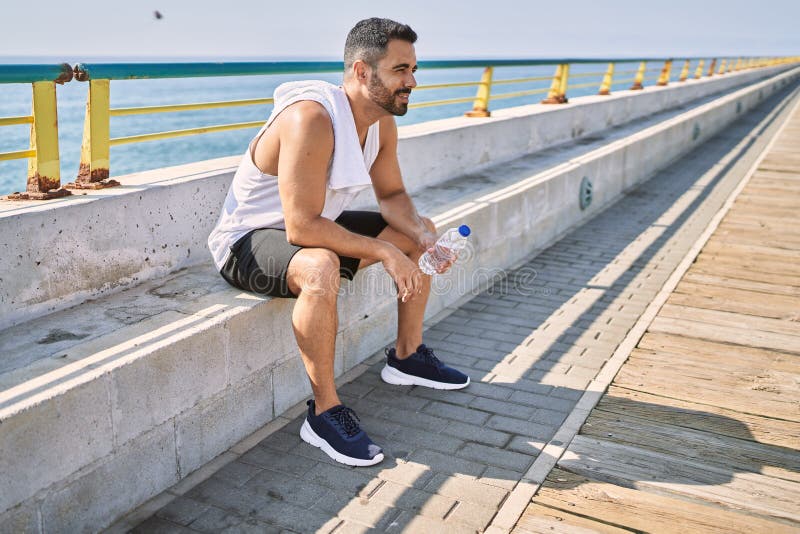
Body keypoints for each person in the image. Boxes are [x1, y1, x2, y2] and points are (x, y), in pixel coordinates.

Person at [207, 18, 469, 467]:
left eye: (414, 69)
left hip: (312, 228)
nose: (412, 82)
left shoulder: (381, 123)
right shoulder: (310, 118)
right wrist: (384, 252)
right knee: (321, 264)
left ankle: (406, 357)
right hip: (246, 242)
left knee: (415, 228)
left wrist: (423, 239)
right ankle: (325, 412)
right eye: (400, 70)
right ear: (363, 72)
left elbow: (392, 196)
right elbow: (302, 229)